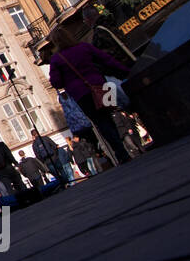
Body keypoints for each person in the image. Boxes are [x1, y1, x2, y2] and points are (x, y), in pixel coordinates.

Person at [47, 25, 132, 164]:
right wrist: (125, 70)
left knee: (100, 121)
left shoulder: (57, 59)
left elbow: (56, 83)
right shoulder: (84, 47)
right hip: (100, 86)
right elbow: (106, 59)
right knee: (109, 116)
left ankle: (120, 152)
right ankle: (121, 148)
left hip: (81, 94)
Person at [0, 131, 29, 200]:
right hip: (7, 166)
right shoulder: (1, 145)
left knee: (8, 187)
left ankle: (15, 201)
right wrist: (15, 163)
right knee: (18, 182)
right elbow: (9, 154)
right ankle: (27, 197)